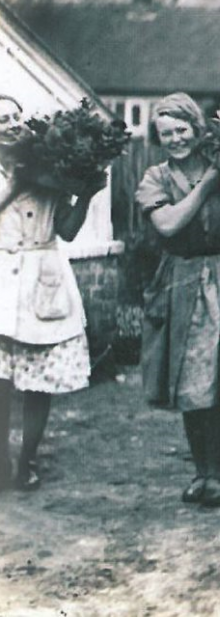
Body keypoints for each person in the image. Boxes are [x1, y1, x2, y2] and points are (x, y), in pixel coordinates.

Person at [136, 92, 220, 508]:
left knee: (217, 378)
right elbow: (169, 224)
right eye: (166, 133)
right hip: (181, 277)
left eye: (181, 129)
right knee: (189, 380)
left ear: (196, 127)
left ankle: (218, 473)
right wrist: (207, 183)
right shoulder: (156, 177)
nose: (175, 139)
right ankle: (200, 471)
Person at [0, 94, 102, 491]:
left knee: (37, 383)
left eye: (16, 117)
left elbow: (69, 230)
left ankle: (27, 460)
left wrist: (88, 193)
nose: (10, 125)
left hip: (43, 277)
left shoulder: (51, 166)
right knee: (1, 382)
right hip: (2, 278)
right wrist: (18, 182)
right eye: (1, 119)